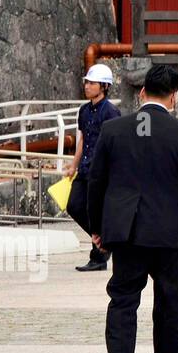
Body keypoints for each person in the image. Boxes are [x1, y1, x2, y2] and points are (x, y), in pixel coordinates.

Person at [88, 64, 178, 353]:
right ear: (173, 96)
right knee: (170, 304)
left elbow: (96, 182)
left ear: (141, 93)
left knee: (123, 300)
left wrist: (97, 228)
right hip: (172, 235)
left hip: (127, 233)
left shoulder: (113, 130)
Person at [64, 63, 122, 272]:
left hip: (102, 171)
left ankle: (98, 257)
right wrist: (73, 165)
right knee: (74, 205)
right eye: (86, 82)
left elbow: (117, 143)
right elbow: (83, 140)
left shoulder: (111, 112)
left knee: (95, 211)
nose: (87, 86)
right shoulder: (84, 110)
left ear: (104, 86)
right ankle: (105, 242)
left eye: (92, 83)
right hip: (86, 168)